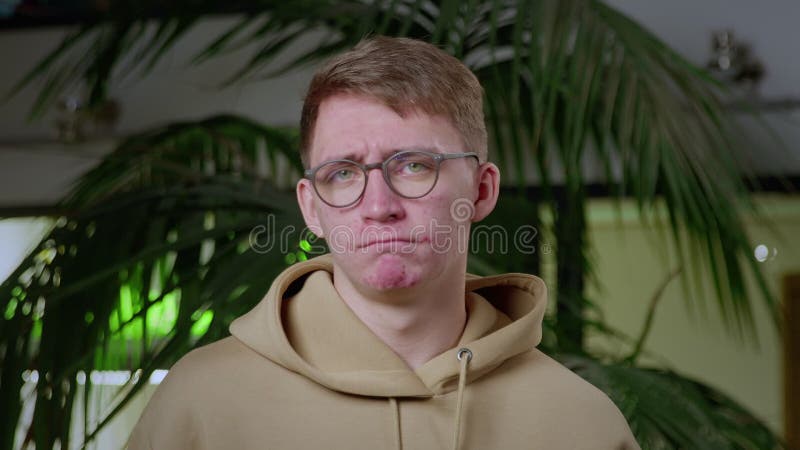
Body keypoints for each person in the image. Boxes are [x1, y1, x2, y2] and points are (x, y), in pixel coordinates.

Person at [128, 36, 639, 450]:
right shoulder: (201, 403)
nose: (379, 204)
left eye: (415, 165)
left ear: (482, 191)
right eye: (344, 172)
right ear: (311, 207)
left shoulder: (582, 423)